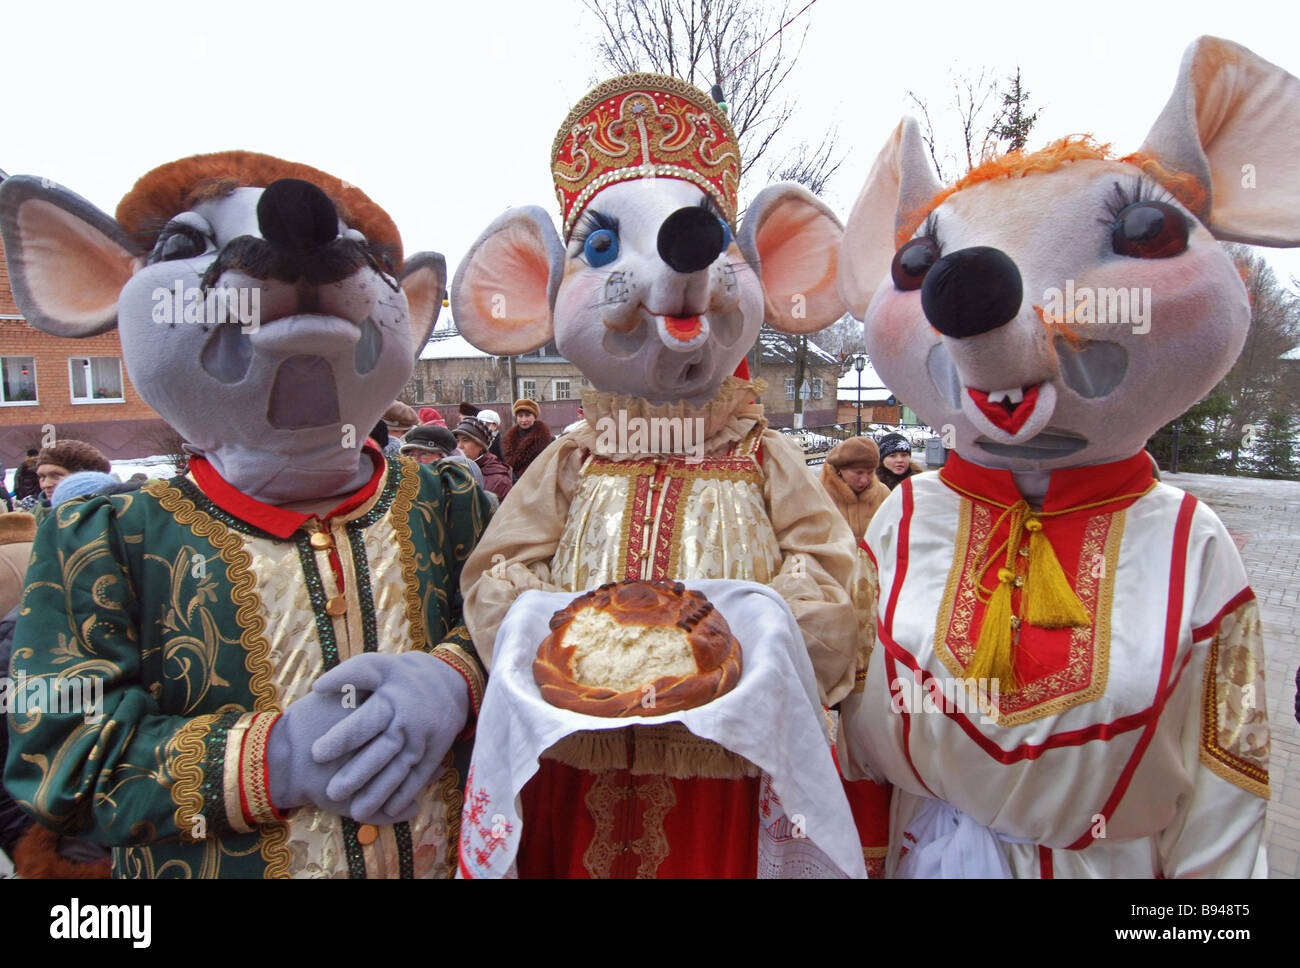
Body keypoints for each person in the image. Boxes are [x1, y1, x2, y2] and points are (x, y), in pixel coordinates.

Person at [820, 437, 891, 544]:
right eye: (858, 473)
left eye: (870, 472)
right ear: (840, 469)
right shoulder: (819, 494)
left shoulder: (883, 493)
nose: (865, 479)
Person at [31, 440, 112, 525]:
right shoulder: (32, 517)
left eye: (56, 476)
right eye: (42, 477)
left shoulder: (112, 513)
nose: (45, 484)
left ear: (86, 478)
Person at [401, 425, 487, 491]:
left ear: (445, 457)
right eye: (411, 455)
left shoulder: (456, 491)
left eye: (424, 454)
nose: (416, 460)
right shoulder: (404, 487)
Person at [453, 416, 513, 503]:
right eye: (457, 440)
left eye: (465, 440)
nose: (459, 446)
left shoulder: (499, 480)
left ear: (481, 445)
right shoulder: (453, 470)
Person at [501, 398, 553, 481]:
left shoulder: (546, 439)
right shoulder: (508, 440)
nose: (524, 420)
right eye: (520, 416)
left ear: (535, 417)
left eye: (527, 415)